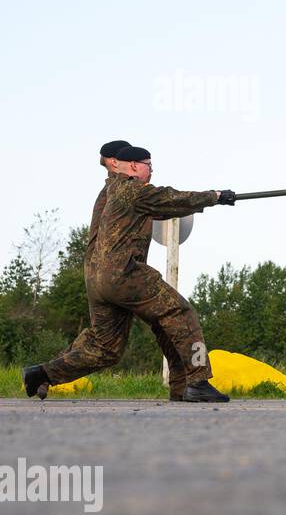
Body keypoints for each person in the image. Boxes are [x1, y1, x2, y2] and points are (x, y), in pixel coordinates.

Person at [22, 145, 238, 403]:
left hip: (97, 279)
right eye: (149, 165)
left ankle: (42, 373)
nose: (152, 170)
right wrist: (214, 196)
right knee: (181, 313)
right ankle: (198, 382)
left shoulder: (109, 192)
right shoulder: (134, 190)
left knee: (106, 347)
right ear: (134, 166)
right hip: (124, 273)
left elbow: (162, 208)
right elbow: (171, 198)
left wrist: (93, 277)